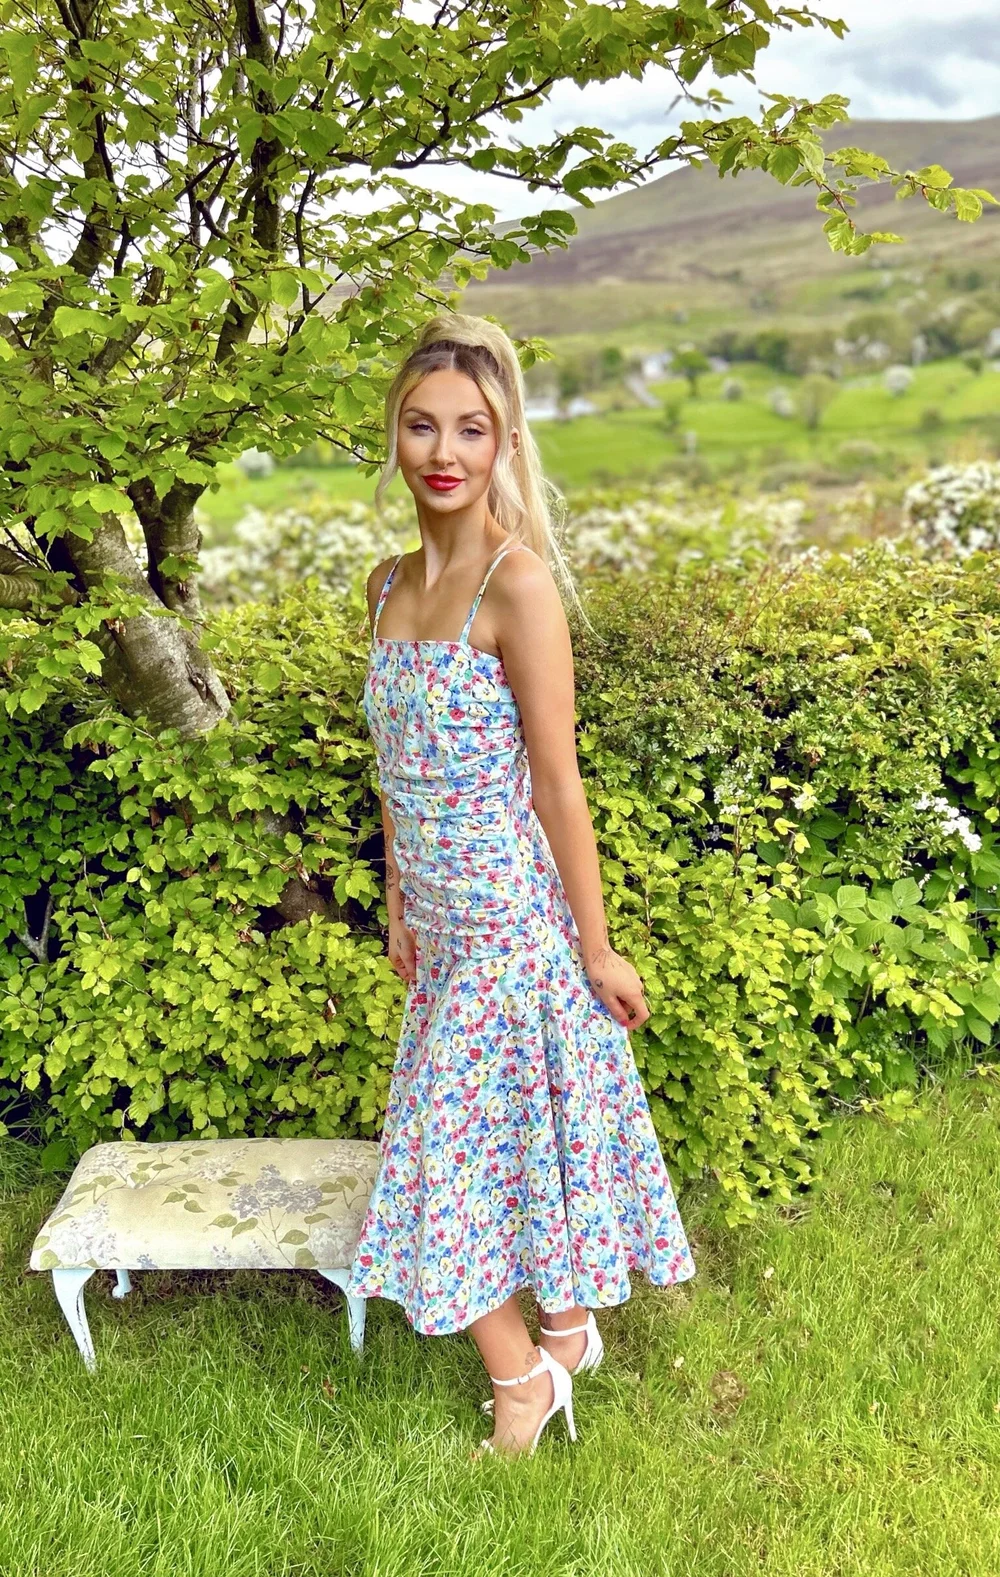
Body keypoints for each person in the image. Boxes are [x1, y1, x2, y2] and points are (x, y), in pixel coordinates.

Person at [343, 311, 695, 1459]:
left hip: (507, 923)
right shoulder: (385, 584)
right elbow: (393, 767)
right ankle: (568, 1328)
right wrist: (399, 902)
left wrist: (595, 947)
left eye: (471, 429)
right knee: (507, 1139)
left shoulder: (517, 585)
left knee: (442, 1163)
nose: (443, 451)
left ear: (502, 444)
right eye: (421, 425)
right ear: (394, 435)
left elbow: (556, 781)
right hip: (440, 928)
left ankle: (522, 1379)